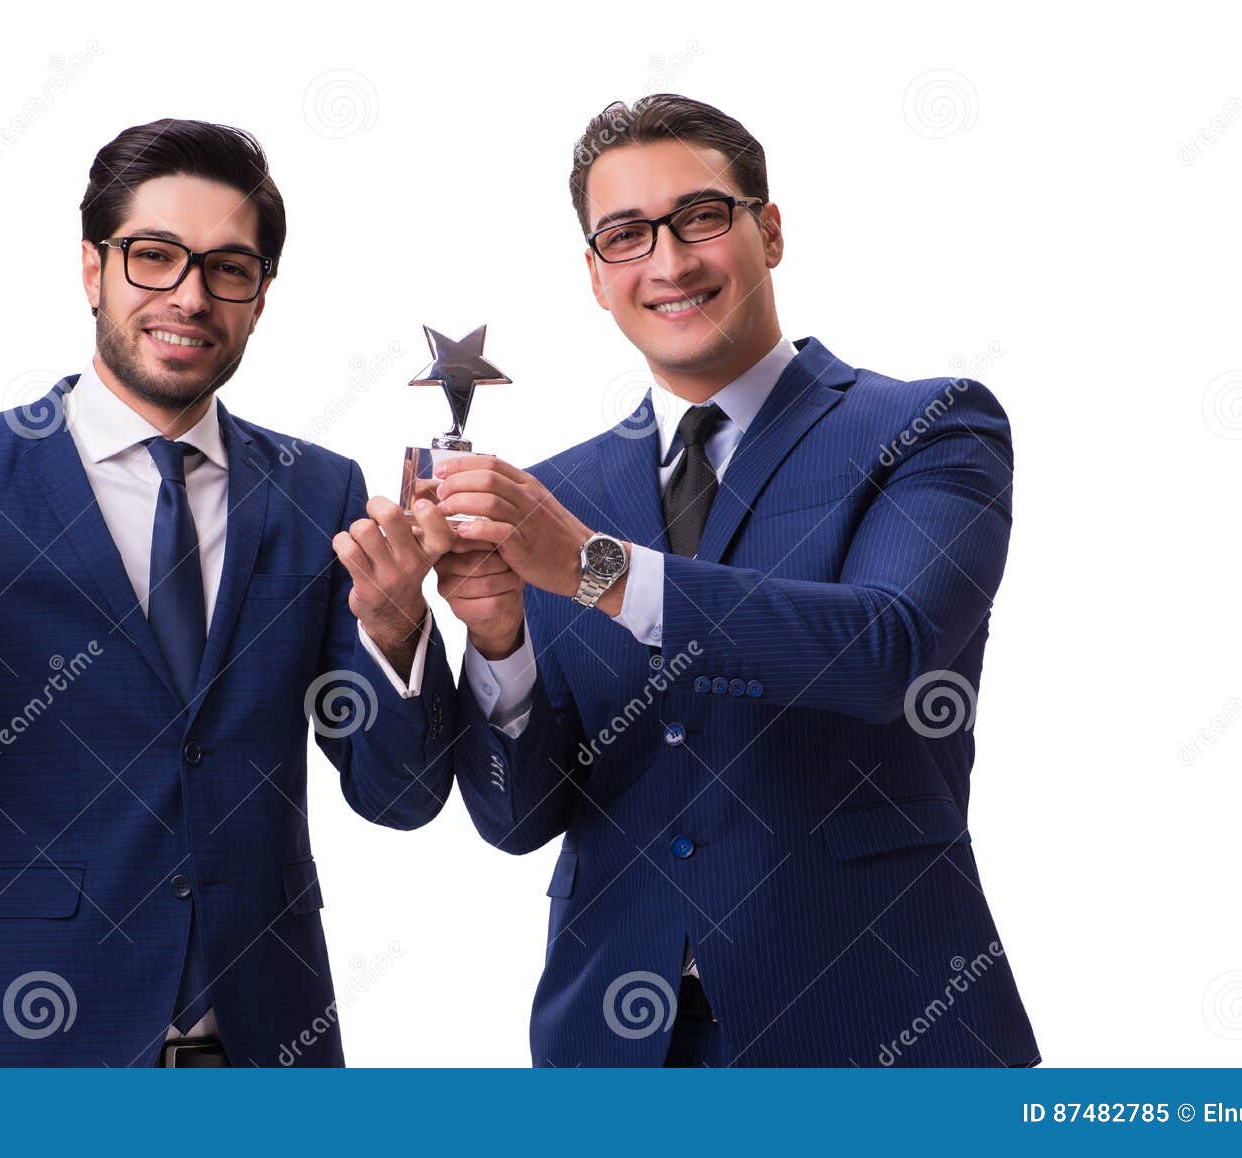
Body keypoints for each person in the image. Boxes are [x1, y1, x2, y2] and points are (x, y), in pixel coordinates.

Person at [0, 118, 456, 1068]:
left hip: (273, 1052)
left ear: (262, 297)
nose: (190, 295)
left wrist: (398, 628)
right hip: (41, 1050)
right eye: (154, 257)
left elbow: (404, 797)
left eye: (230, 268)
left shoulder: (321, 492)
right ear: (93, 268)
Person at [433, 94, 1039, 1067]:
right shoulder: (555, 493)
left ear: (770, 229)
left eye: (700, 218)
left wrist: (595, 570)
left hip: (876, 1027)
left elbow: (886, 650)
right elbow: (516, 822)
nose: (667, 263)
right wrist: (500, 640)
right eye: (626, 236)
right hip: (617, 1051)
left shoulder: (929, 427)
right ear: (594, 276)